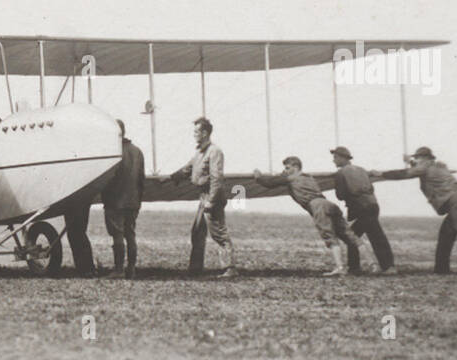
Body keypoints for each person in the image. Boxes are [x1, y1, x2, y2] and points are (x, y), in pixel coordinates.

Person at [376, 147, 457, 275]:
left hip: (456, 201)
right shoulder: (436, 166)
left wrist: (381, 174)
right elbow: (419, 168)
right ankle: (441, 269)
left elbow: (405, 174)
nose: (416, 160)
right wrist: (411, 162)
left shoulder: (425, 166)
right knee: (446, 234)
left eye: (417, 158)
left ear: (424, 158)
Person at [254, 156, 359, 277]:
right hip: (329, 204)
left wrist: (258, 176)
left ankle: (340, 267)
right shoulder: (309, 177)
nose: (286, 170)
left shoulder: (291, 178)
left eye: (288, 168)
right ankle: (372, 264)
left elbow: (268, 183)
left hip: (317, 206)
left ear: (296, 167)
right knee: (350, 236)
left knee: (329, 236)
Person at [157, 117, 236, 278]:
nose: (194, 135)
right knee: (197, 231)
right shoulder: (200, 152)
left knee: (218, 233)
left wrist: (211, 201)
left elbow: (216, 178)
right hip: (203, 196)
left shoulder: (214, 151)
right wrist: (170, 178)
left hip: (211, 196)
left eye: (196, 131)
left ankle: (230, 268)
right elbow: (188, 169)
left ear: (205, 133)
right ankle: (195, 268)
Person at [331, 146, 395, 274]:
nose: (334, 161)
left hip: (360, 208)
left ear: (343, 158)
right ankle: (354, 267)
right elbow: (370, 188)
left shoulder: (341, 173)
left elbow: (340, 195)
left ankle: (388, 267)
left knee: (372, 236)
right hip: (373, 205)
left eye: (336, 158)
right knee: (355, 235)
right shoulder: (361, 170)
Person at [100, 120, 145, 279]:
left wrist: (105, 195)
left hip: (115, 201)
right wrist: (138, 201)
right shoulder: (137, 151)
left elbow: (107, 178)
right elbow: (141, 179)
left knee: (117, 235)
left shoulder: (112, 152)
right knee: (130, 235)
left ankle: (118, 269)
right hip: (132, 201)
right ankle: (131, 269)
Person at [61, 196, 97, 277]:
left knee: (75, 234)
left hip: (73, 202)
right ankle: (88, 268)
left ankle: (85, 269)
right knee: (79, 233)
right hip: (82, 201)